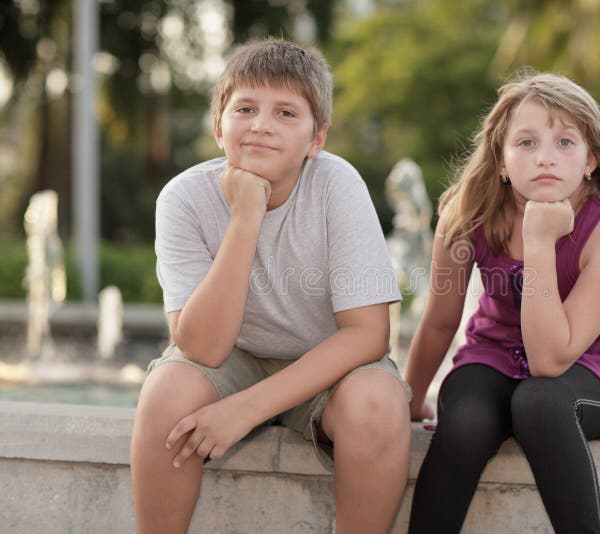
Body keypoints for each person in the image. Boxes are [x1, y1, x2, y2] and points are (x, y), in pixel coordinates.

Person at [130, 37, 411, 534]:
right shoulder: (183, 199)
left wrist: (246, 411)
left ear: (316, 139)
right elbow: (199, 346)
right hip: (231, 359)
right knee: (167, 391)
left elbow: (369, 335)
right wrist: (245, 217)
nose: (261, 124)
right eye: (245, 108)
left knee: (379, 402)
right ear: (219, 127)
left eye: (286, 113)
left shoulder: (337, 185)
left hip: (328, 367)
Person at [404, 71, 600, 533]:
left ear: (590, 160)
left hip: (589, 369)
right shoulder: (466, 215)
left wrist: (539, 241)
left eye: (564, 142)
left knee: (539, 402)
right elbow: (440, 322)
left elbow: (550, 361)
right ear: (500, 162)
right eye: (525, 143)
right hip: (492, 358)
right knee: (467, 421)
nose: (545, 158)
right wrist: (411, 397)